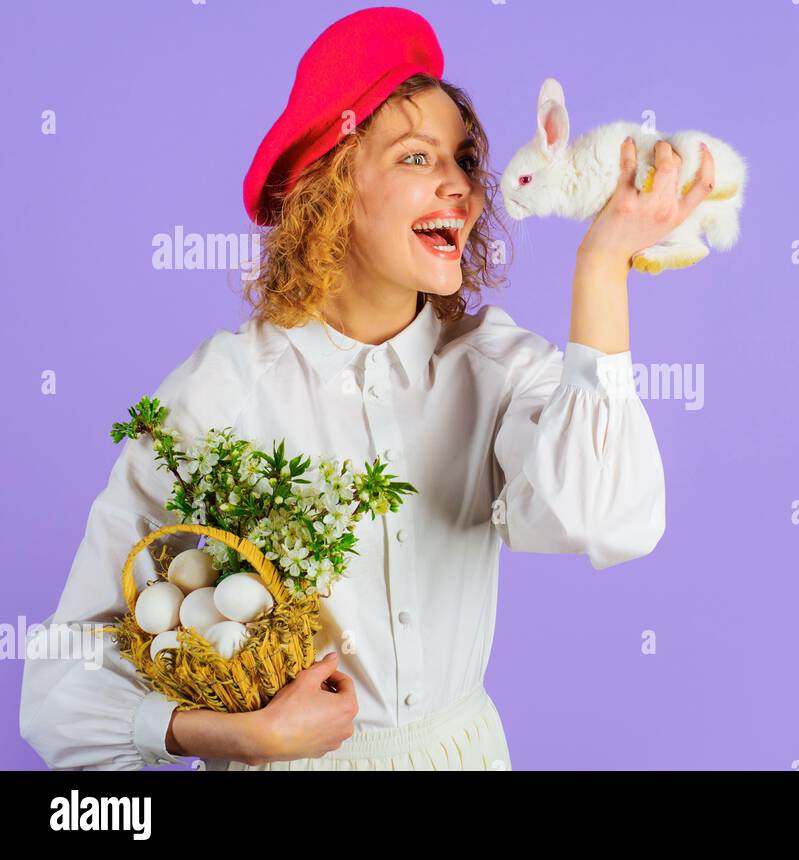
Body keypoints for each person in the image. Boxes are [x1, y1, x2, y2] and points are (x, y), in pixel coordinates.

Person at [18, 6, 714, 771]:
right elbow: (57, 688)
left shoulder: (497, 367)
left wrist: (602, 265)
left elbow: (609, 518)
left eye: (465, 158)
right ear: (331, 189)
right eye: (418, 159)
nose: (463, 188)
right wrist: (231, 735)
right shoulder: (220, 393)